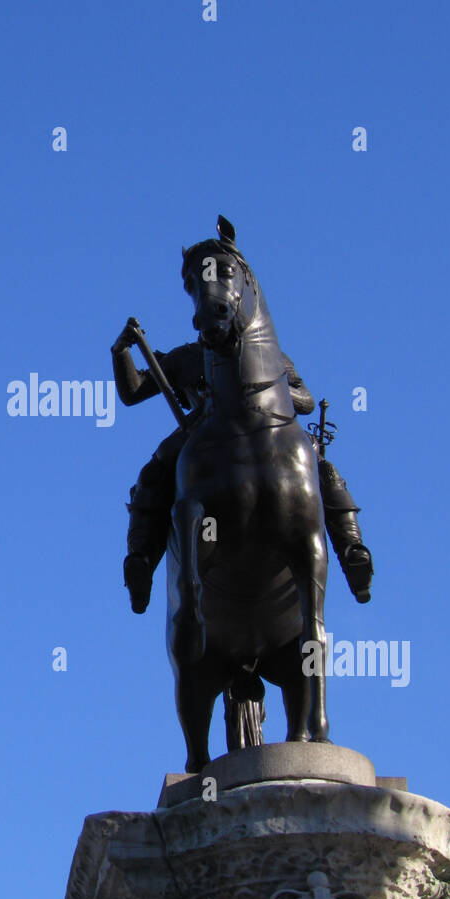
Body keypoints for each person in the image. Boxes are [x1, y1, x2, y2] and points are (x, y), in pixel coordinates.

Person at [113, 219, 373, 614]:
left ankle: (352, 550)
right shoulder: (185, 359)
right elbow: (133, 392)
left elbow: (304, 400)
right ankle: (141, 563)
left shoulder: (271, 359)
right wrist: (121, 352)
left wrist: (273, 392)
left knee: (321, 467)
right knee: (156, 471)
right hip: (201, 434)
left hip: (267, 430)